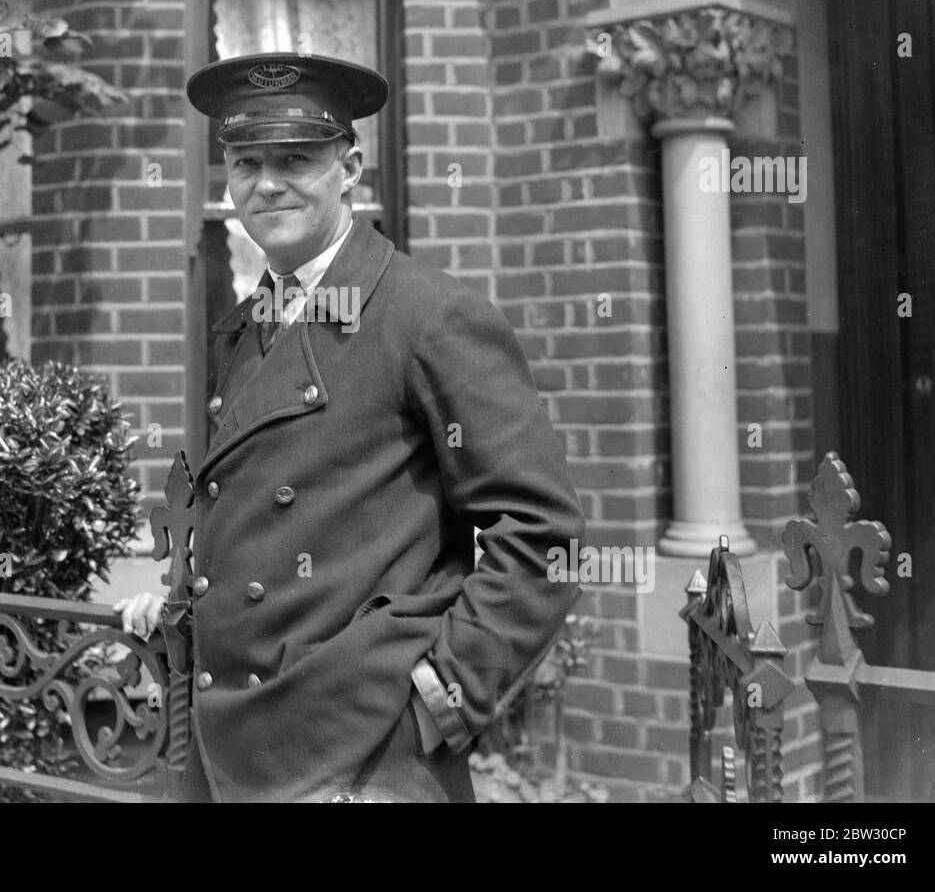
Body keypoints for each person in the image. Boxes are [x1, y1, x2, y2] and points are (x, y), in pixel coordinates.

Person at [115, 52, 586, 802]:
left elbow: (542, 533)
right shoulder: (242, 328)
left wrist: (442, 698)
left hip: (363, 756)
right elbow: (259, 524)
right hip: (234, 739)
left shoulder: (430, 315)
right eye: (246, 162)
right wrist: (180, 608)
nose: (267, 184)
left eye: (295, 159)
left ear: (351, 169)